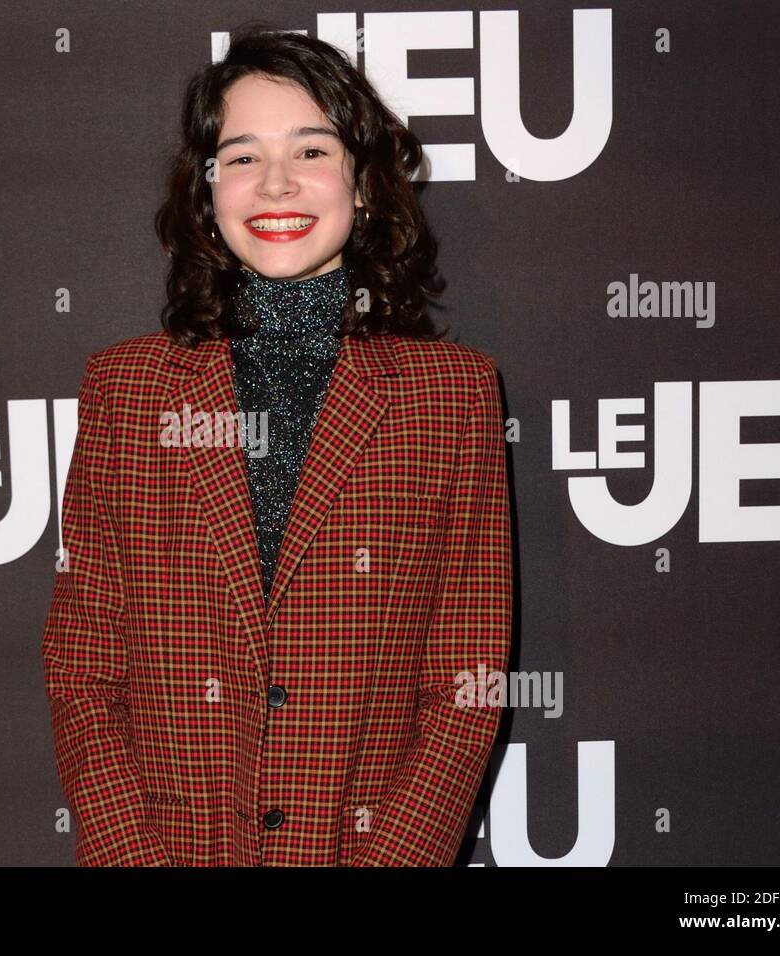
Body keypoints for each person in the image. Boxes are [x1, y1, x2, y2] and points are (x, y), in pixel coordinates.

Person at [41, 23, 512, 866]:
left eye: (312, 150)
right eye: (243, 156)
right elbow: (84, 670)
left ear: (363, 183)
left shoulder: (452, 397)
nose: (277, 183)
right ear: (207, 190)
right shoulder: (125, 390)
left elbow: (465, 686)